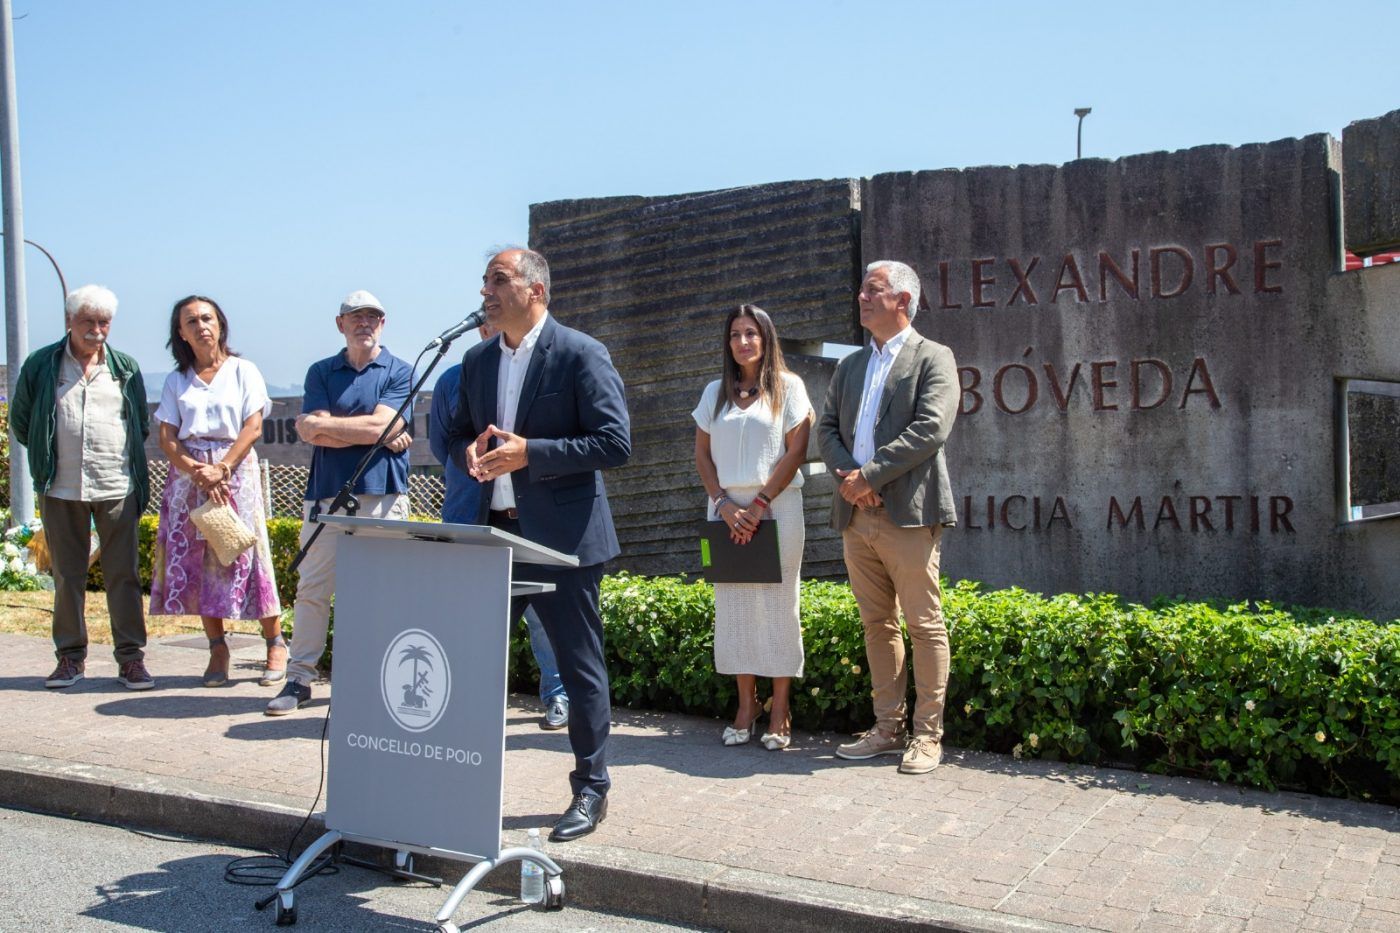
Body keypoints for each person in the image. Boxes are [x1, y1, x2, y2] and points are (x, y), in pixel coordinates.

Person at [446, 247, 630, 841]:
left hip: (563, 541)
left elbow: (614, 443)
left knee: (579, 670)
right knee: (470, 663)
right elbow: (453, 433)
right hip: (495, 533)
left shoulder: (580, 353)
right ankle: (456, 785)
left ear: (536, 290)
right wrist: (468, 449)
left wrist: (534, 452)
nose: (487, 293)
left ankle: (592, 787)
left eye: (499, 281)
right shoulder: (476, 360)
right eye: (484, 282)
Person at [816, 260, 959, 775]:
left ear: (902, 299)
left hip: (909, 513)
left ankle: (927, 735)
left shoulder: (933, 357)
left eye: (872, 290)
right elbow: (827, 427)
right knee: (877, 624)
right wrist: (850, 480)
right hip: (857, 516)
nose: (861, 297)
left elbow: (930, 429)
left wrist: (869, 477)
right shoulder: (850, 365)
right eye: (861, 289)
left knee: (924, 624)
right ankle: (886, 727)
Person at [266, 290, 414, 715]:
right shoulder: (320, 371)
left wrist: (332, 427)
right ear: (340, 324)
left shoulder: (400, 370)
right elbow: (310, 431)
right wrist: (371, 431)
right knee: (312, 590)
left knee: (383, 593)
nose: (364, 323)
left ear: (383, 324)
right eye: (356, 317)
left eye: (373, 317)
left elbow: (381, 423)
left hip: (382, 495)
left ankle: (374, 682)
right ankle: (298, 680)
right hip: (326, 495)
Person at [428, 320, 571, 730]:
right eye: (487, 321)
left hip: (528, 517)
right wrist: (468, 456)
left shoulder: (537, 374)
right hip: (468, 513)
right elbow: (443, 445)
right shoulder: (453, 379)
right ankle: (470, 701)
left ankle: (557, 695)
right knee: (472, 616)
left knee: (542, 616)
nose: (493, 328)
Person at [10, 284, 154, 690]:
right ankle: (70, 658)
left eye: (103, 322)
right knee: (67, 576)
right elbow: (22, 421)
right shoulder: (42, 365)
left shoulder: (124, 366)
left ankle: (131, 660)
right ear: (69, 321)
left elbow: (139, 423)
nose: (96, 330)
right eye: (88, 321)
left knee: (123, 575)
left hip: (116, 486)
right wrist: (46, 456)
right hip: (60, 487)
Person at [692, 305, 812, 751]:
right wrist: (724, 504)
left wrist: (760, 504)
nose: (743, 341)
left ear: (766, 338)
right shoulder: (714, 393)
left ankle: (781, 708)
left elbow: (796, 450)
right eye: (736, 334)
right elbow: (703, 456)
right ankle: (747, 704)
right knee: (736, 608)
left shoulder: (789, 388)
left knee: (780, 607)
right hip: (724, 513)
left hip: (777, 507)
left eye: (752, 333)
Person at [148, 296, 285, 687]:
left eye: (207, 318)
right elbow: (167, 436)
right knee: (201, 561)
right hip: (190, 477)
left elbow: (253, 426)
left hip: (235, 471)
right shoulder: (177, 381)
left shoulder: (243, 371)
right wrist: (197, 471)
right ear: (181, 333)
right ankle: (217, 649)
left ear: (220, 324)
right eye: (191, 321)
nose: (201, 325)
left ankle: (274, 642)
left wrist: (222, 467)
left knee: (247, 553)